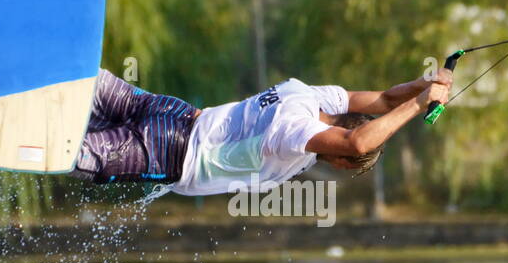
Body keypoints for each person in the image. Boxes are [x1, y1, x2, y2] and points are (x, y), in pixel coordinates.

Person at [69, 66, 454, 194]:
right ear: (339, 151)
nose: (339, 168)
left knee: (82, 81)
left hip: (174, 112)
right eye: (346, 164)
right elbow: (359, 141)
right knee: (64, 152)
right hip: (165, 152)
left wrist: (427, 83)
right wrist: (420, 104)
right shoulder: (295, 137)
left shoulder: (310, 96)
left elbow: (385, 100)